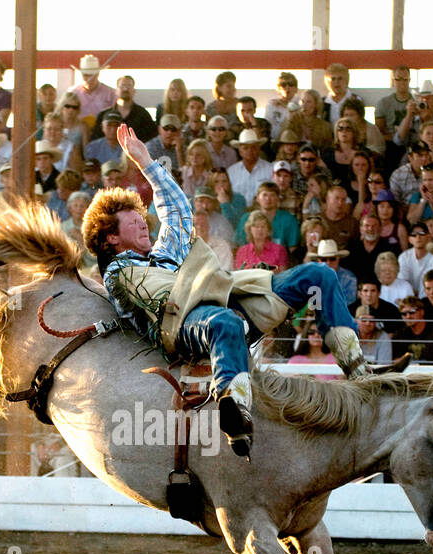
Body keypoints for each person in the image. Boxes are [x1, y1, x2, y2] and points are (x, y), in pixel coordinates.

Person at [84, 124, 375, 457]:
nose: (142, 222)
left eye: (140, 217)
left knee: (318, 275)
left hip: (227, 298)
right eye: (132, 221)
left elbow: (177, 211)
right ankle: (235, 413)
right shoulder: (117, 273)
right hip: (182, 325)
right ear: (111, 238)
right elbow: (158, 297)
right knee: (224, 321)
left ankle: (358, 370)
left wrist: (147, 163)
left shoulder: (164, 252)